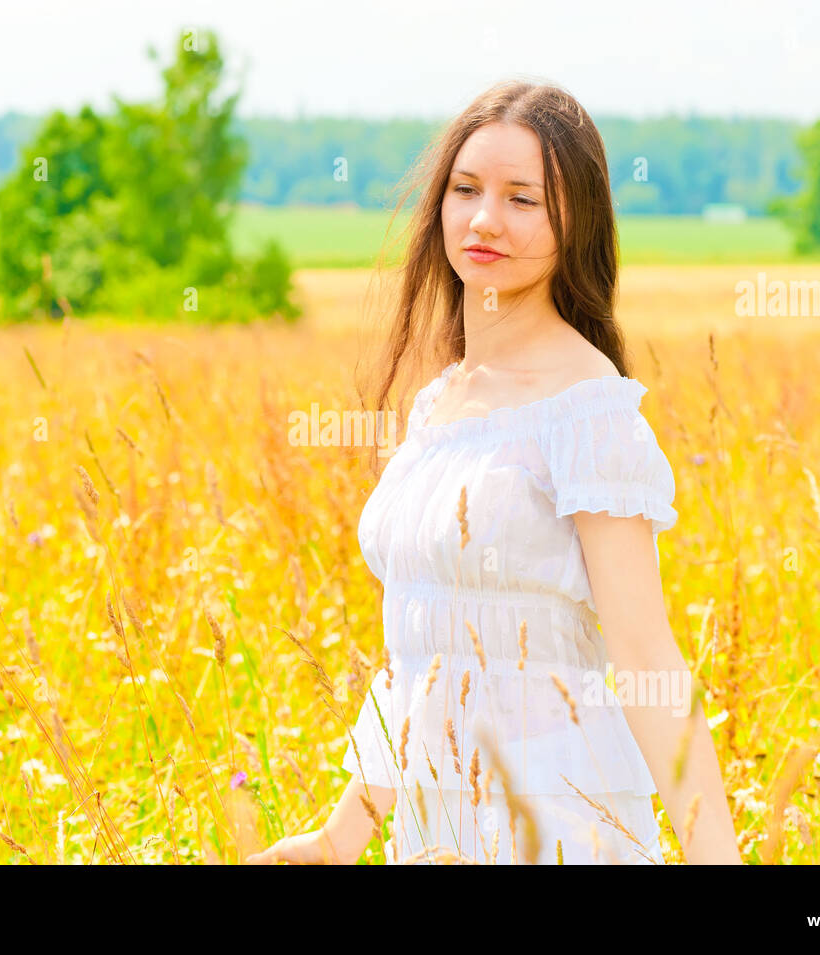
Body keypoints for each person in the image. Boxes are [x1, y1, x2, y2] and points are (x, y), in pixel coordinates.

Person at [248, 80, 741, 865]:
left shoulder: (589, 411)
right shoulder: (439, 404)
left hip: (558, 822)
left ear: (574, 221)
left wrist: (720, 860)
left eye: (523, 200)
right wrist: (341, 837)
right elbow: (425, 661)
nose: (484, 220)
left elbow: (648, 658)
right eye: (466, 189)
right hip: (434, 827)